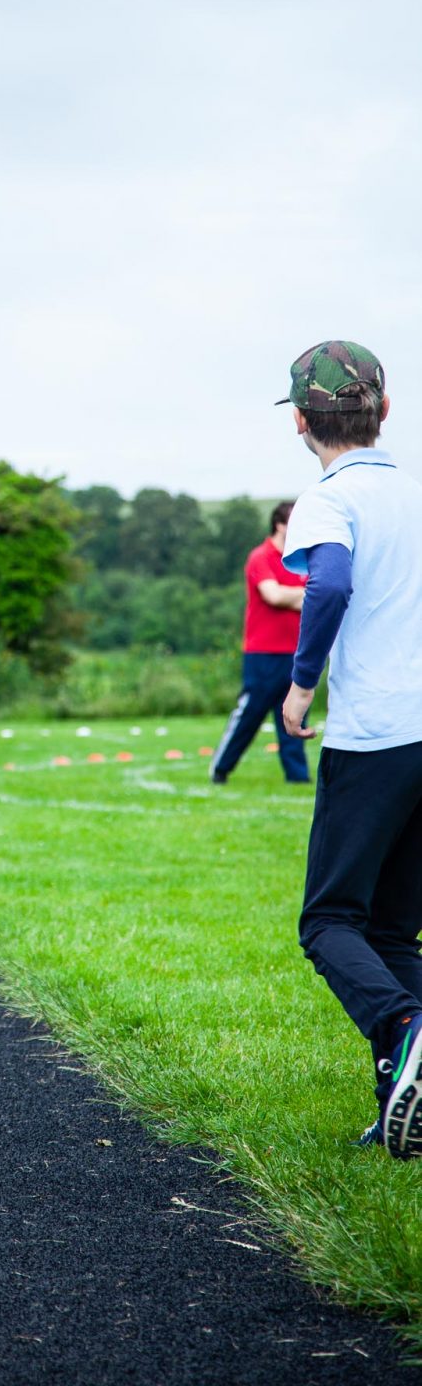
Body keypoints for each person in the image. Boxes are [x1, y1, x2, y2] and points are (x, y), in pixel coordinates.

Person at [279, 341, 422, 1160]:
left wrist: (302, 685)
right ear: (385, 410)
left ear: (301, 421)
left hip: (376, 734)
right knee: (395, 932)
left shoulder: (328, 499)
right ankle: (403, 1102)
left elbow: (328, 584)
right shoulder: (413, 490)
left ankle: (404, 1025)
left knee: (331, 921)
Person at [209, 502, 310, 785]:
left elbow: (317, 597)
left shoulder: (303, 558)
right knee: (250, 714)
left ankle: (298, 777)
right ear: (280, 525)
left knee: (294, 714)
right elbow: (273, 595)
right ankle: (221, 769)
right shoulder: (261, 556)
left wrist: (299, 595)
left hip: (296, 651)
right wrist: (304, 594)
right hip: (264, 652)